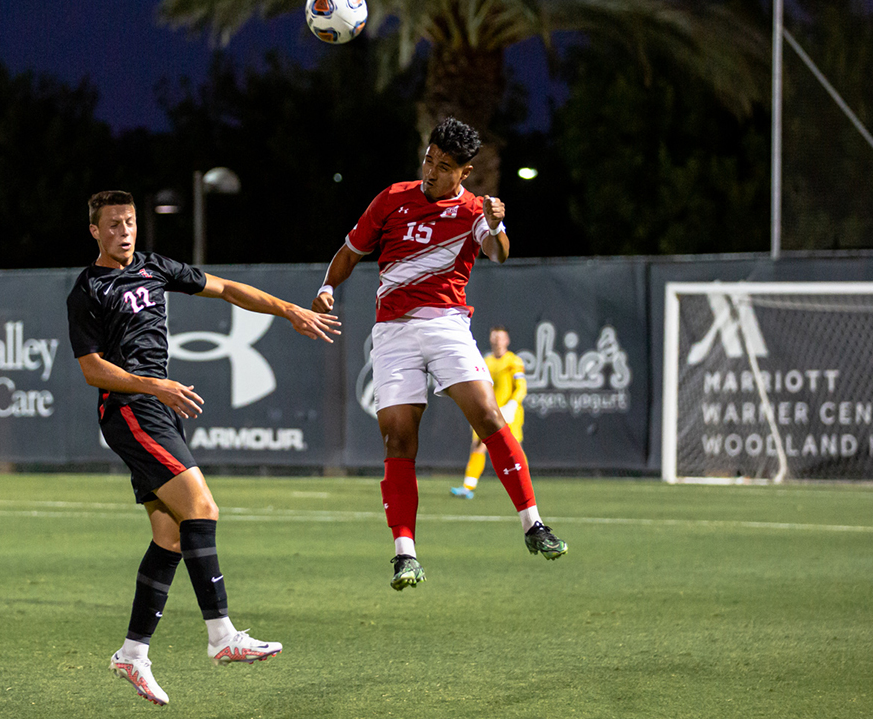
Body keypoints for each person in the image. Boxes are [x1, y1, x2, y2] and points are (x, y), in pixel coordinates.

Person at [67, 190, 341, 706]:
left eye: (129, 221)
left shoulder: (154, 267)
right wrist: (154, 386)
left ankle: (132, 654)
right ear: (95, 232)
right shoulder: (88, 288)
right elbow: (91, 369)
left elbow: (228, 289)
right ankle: (221, 636)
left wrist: (288, 310)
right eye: (112, 224)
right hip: (131, 407)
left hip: (158, 405)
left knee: (171, 536)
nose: (124, 230)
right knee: (203, 509)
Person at [312, 117, 567, 592]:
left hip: (446, 325)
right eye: (429, 158)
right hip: (392, 332)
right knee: (398, 440)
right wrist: (327, 286)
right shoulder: (391, 199)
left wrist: (496, 225)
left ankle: (533, 523)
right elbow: (349, 253)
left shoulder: (474, 211)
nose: (431, 170)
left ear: (464, 173)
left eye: (443, 166)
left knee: (489, 416)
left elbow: (498, 252)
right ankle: (404, 555)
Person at [450, 325, 526, 499]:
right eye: (494, 338)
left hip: (509, 413)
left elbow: (521, 387)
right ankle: (468, 486)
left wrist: (513, 404)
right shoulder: (486, 361)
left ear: (507, 340)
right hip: (489, 413)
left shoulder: (513, 362)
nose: (497, 342)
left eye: (500, 338)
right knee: (478, 445)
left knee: (515, 451)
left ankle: (523, 485)